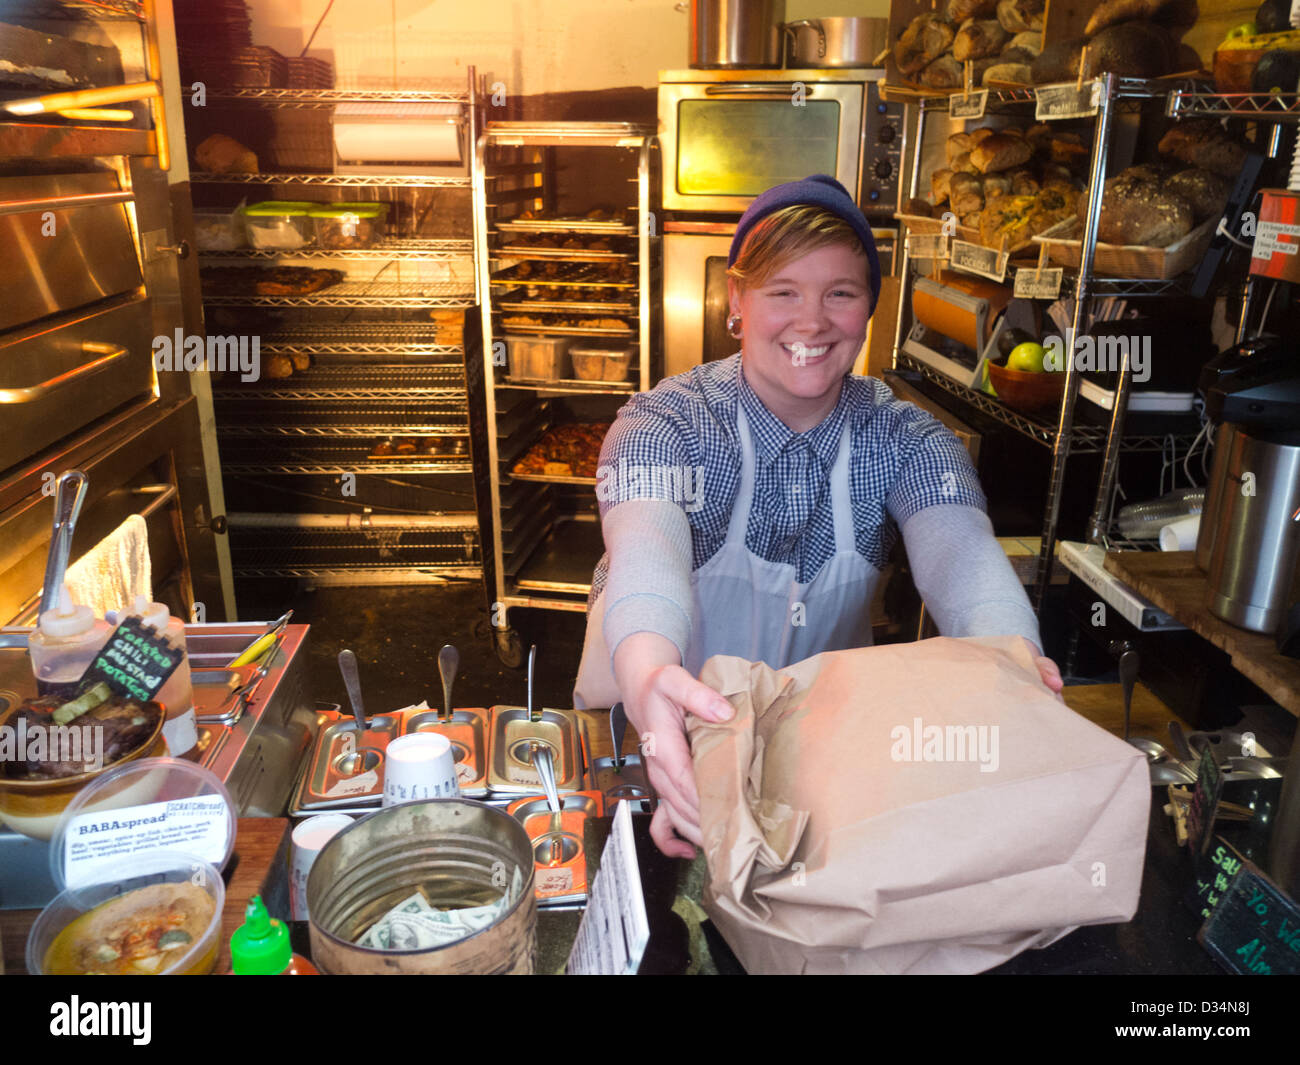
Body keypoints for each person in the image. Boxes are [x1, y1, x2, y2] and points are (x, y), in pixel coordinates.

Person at [573, 175, 1062, 858]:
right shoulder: (665, 423)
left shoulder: (907, 439)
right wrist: (653, 675)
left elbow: (961, 552)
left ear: (869, 308)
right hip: (650, 743)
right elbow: (645, 548)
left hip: (810, 760)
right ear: (736, 302)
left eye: (840, 292)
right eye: (783, 292)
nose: (812, 321)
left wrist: (1014, 656)